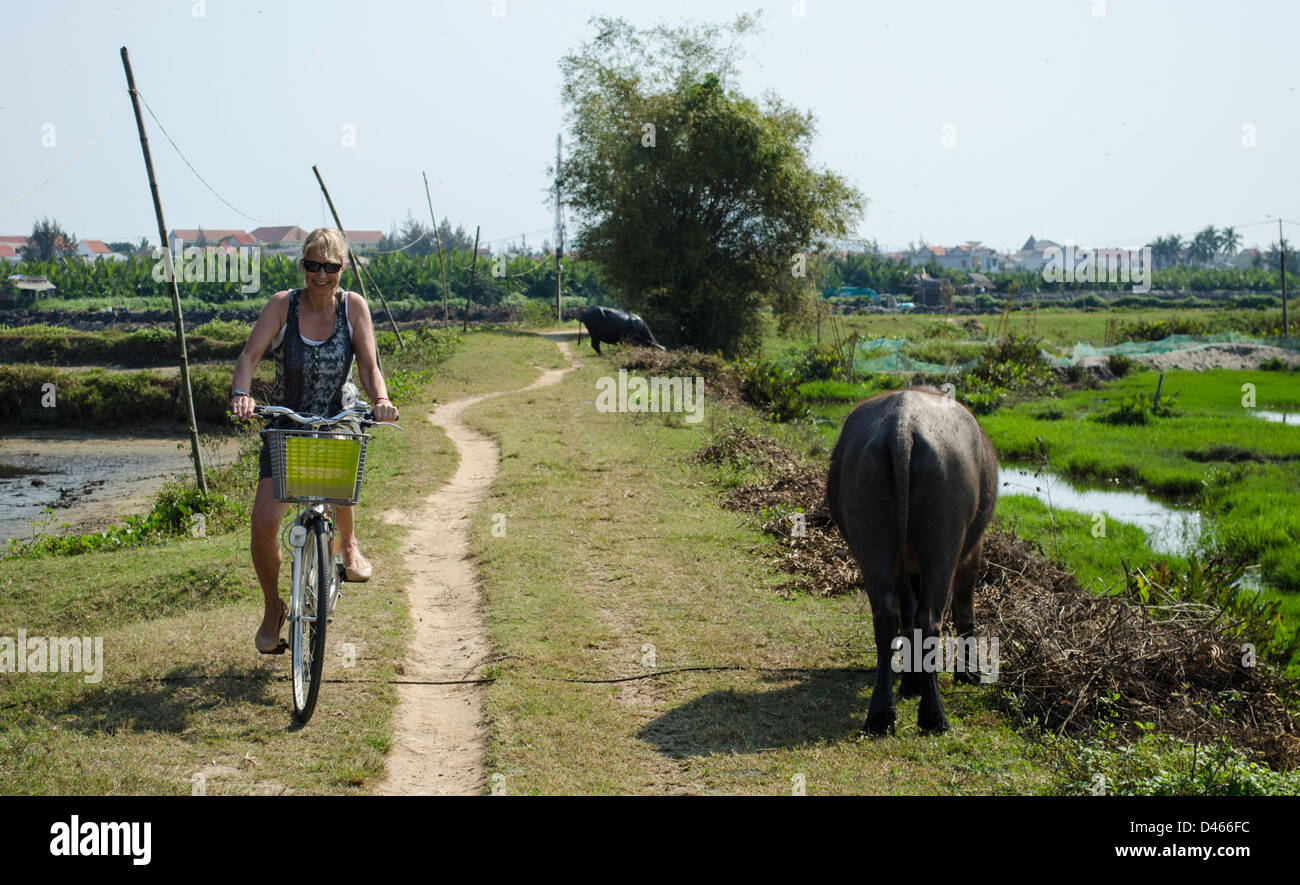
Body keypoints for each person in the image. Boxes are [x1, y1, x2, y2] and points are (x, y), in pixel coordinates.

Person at [230, 228, 399, 653]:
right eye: (312, 265)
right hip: (287, 421)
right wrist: (242, 395)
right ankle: (273, 608)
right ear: (302, 265)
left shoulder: (353, 307)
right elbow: (249, 356)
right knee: (264, 525)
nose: (320, 275)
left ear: (342, 268)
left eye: (330, 266)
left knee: (344, 457)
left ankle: (349, 546)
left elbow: (369, 366)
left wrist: (380, 398)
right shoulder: (282, 305)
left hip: (335, 413)